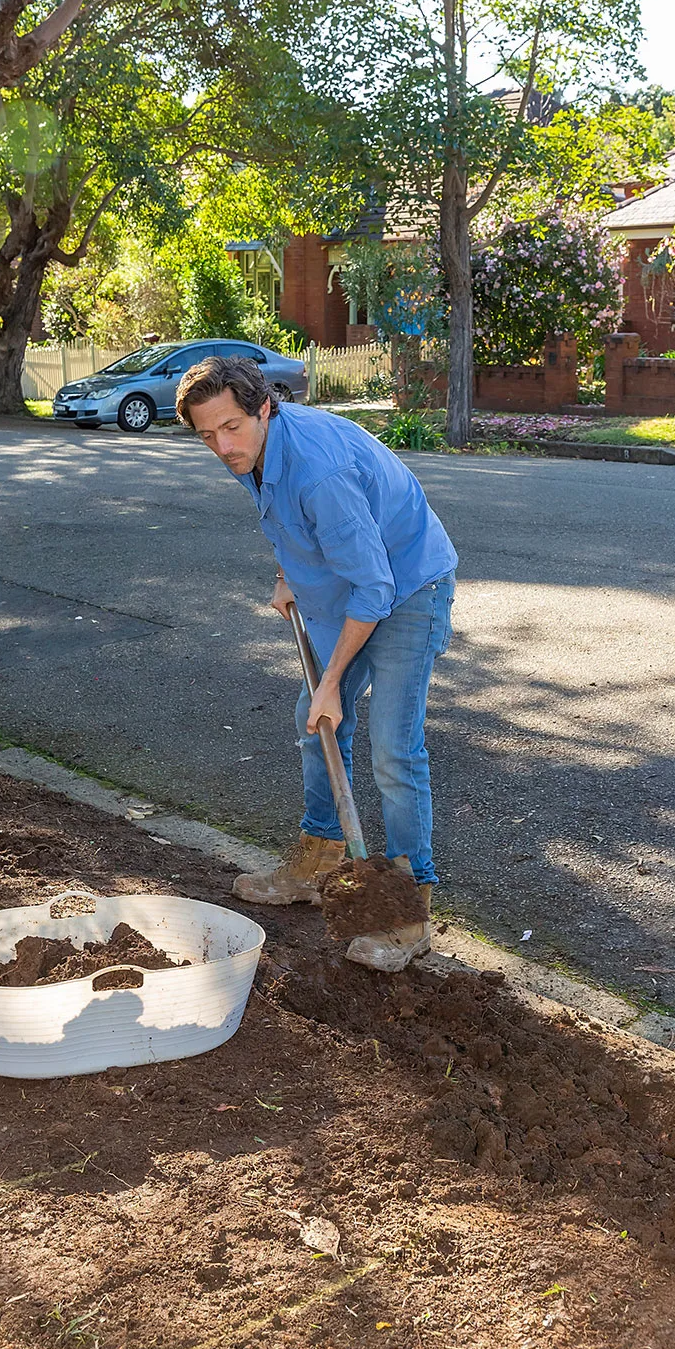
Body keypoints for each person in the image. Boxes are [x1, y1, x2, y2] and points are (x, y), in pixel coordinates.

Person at [176, 355, 457, 973]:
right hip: (348, 585)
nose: (223, 446)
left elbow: (376, 587)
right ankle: (321, 857)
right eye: (207, 435)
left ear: (264, 408)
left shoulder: (318, 471)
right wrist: (287, 574)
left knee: (393, 747)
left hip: (408, 588)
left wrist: (333, 682)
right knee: (317, 721)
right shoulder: (253, 449)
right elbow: (285, 521)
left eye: (231, 428)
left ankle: (410, 907)